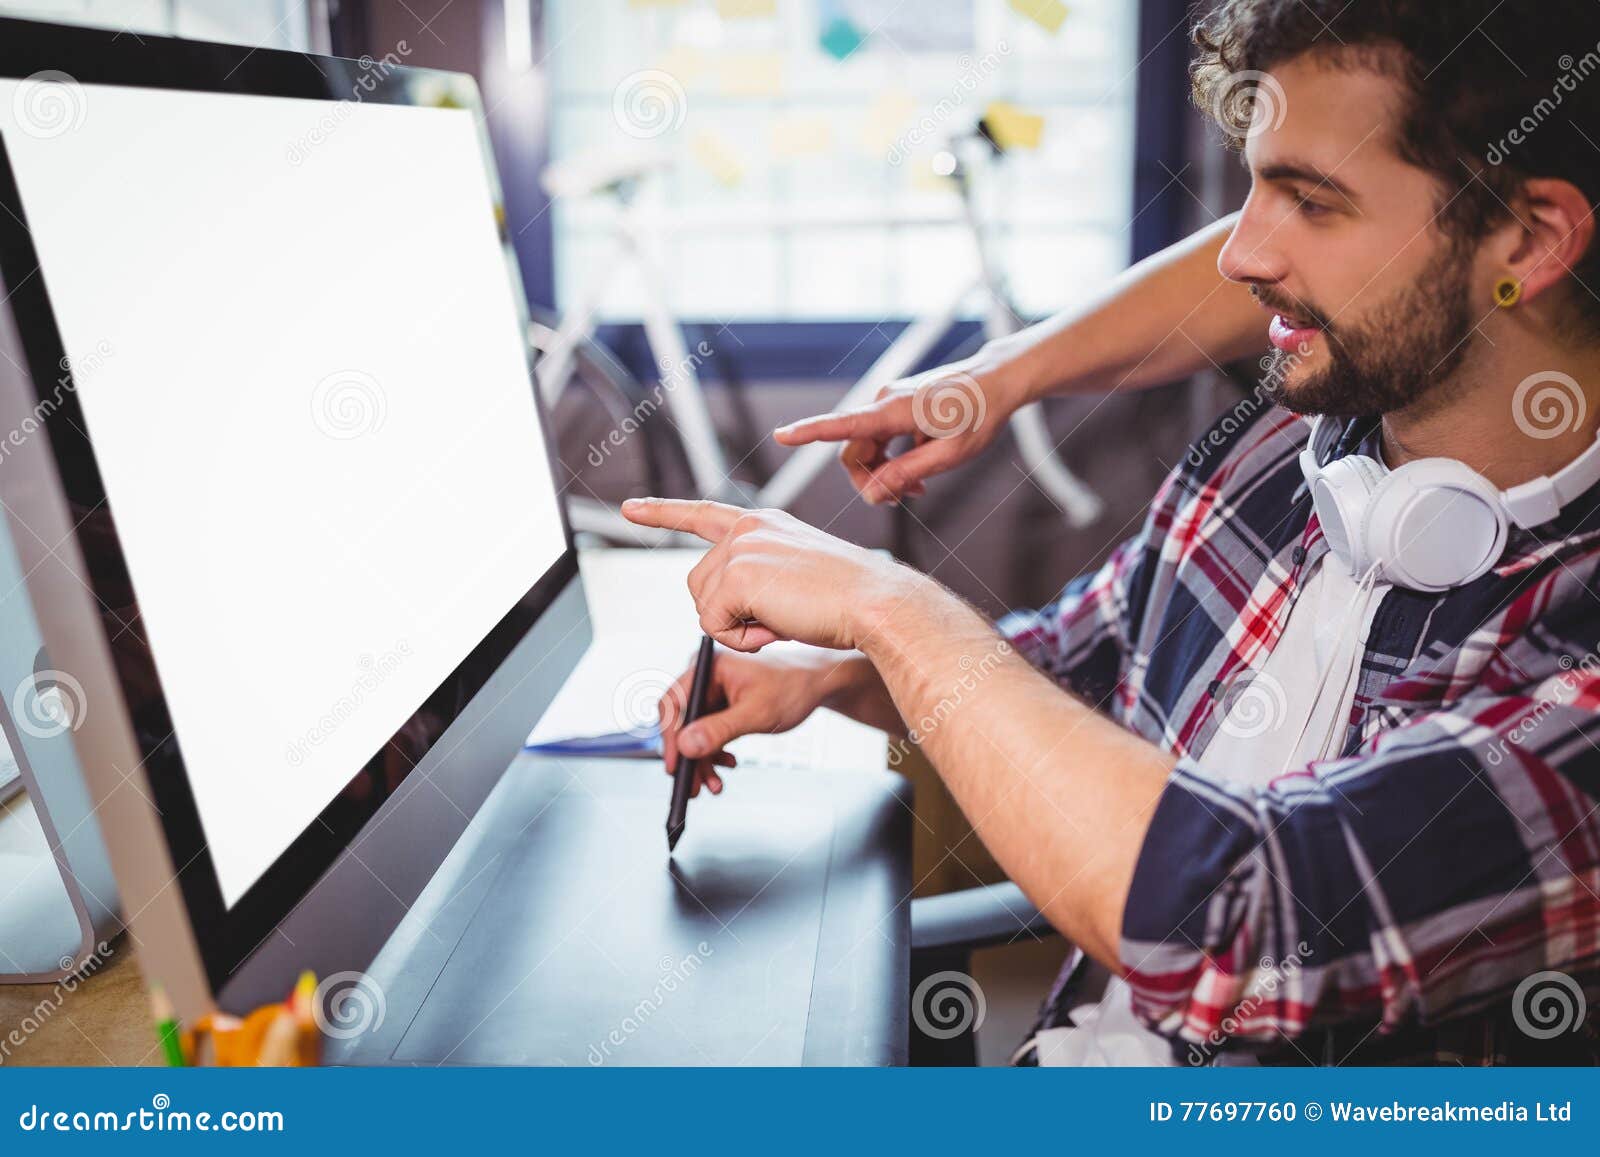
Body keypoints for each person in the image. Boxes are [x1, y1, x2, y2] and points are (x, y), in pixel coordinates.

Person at [625, 0, 1600, 1065]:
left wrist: (887, 605)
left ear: (1529, 237)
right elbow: (1076, 665)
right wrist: (835, 676)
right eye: (1253, 181)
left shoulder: (1574, 658)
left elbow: (1240, 923)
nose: (1237, 256)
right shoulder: (1277, 451)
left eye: (1310, 202)